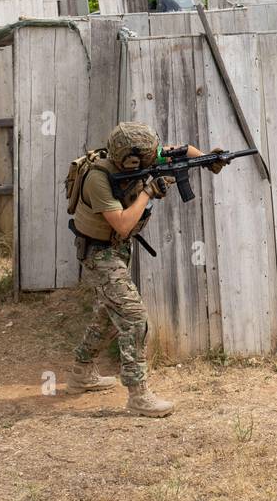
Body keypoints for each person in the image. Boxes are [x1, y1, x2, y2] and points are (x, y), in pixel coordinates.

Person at [66, 121, 224, 417]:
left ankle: (80, 372)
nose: (155, 157)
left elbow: (184, 151)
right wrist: (148, 192)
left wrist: (208, 159)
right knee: (134, 317)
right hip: (99, 254)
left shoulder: (143, 155)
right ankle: (138, 396)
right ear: (127, 157)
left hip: (116, 251)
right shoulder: (97, 179)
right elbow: (124, 225)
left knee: (108, 314)